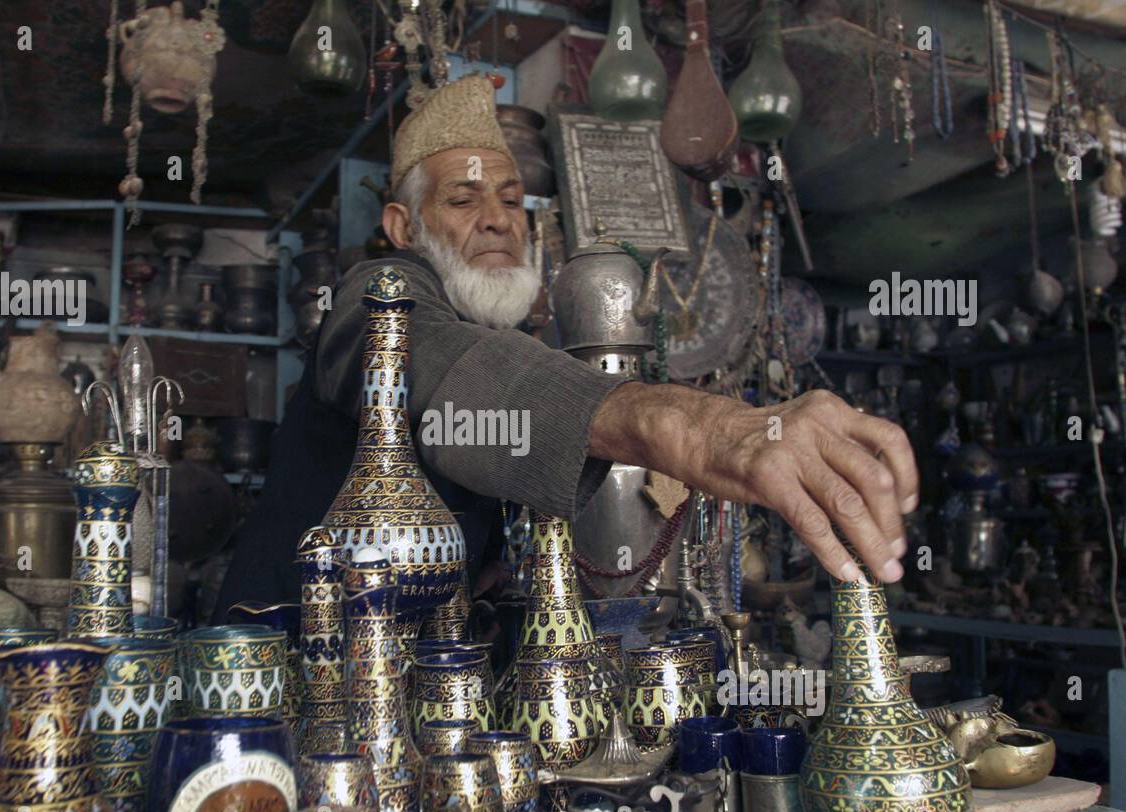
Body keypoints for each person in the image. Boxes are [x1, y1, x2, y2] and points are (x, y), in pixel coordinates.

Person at [213, 75, 915, 620]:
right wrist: (688, 426)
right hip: (291, 673)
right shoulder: (378, 293)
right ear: (401, 225)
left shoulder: (499, 333)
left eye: (512, 201)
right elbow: (430, 368)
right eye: (462, 201)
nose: (495, 220)